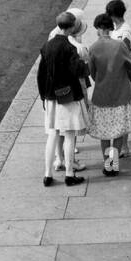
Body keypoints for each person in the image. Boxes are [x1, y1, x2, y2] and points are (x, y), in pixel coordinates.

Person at [38, 11, 88, 187]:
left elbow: (41, 74)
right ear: (73, 26)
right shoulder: (69, 48)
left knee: (52, 134)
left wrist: (43, 96)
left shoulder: (47, 45)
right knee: (69, 135)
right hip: (67, 96)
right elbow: (79, 71)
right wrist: (85, 63)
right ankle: (69, 174)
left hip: (50, 96)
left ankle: (47, 174)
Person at [87, 13, 131, 175]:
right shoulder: (120, 46)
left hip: (102, 96)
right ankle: (113, 164)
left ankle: (107, 164)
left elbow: (92, 73)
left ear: (98, 28)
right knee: (118, 132)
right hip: (121, 94)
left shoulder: (93, 48)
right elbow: (130, 68)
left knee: (105, 134)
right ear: (111, 28)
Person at [105, 0, 131, 158]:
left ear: (112, 15)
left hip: (123, 75)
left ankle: (124, 146)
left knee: (123, 111)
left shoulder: (125, 31)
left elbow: (122, 51)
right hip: (116, 76)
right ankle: (121, 144)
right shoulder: (115, 30)